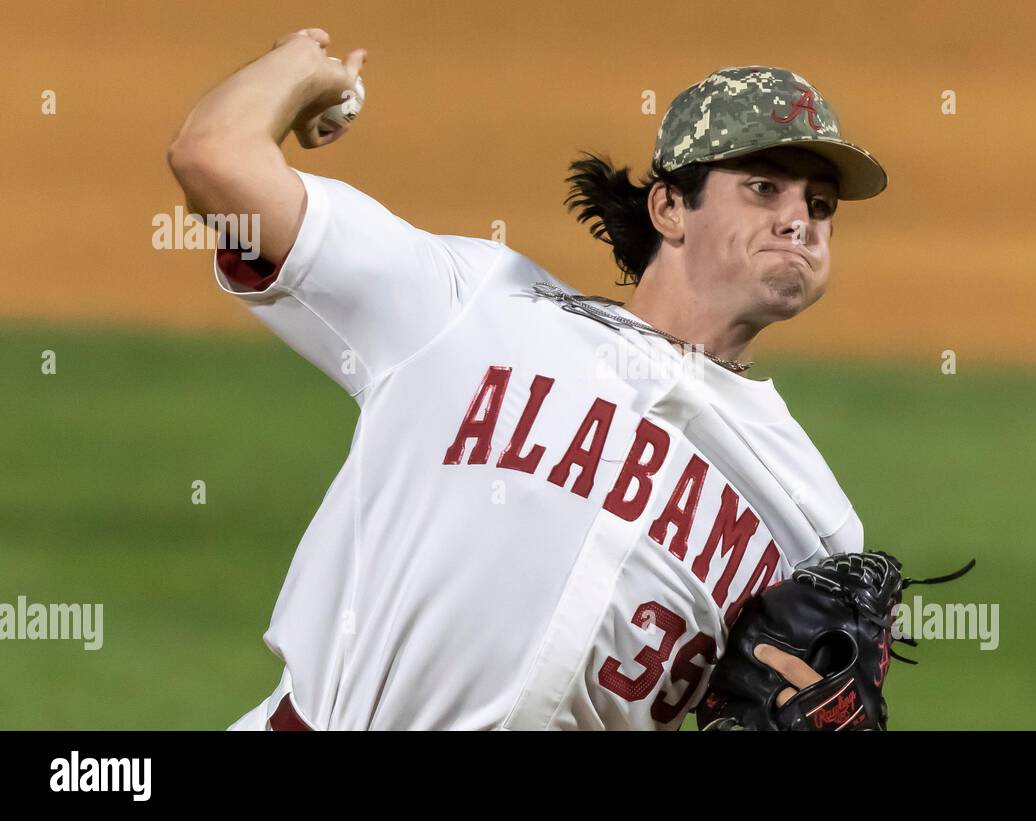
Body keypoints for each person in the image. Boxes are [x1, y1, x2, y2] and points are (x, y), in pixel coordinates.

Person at [167, 28, 888, 730]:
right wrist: (297, 69)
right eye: (765, 188)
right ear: (670, 206)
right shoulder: (474, 303)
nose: (800, 220)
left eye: (820, 205)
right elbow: (214, 156)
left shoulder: (814, 522)